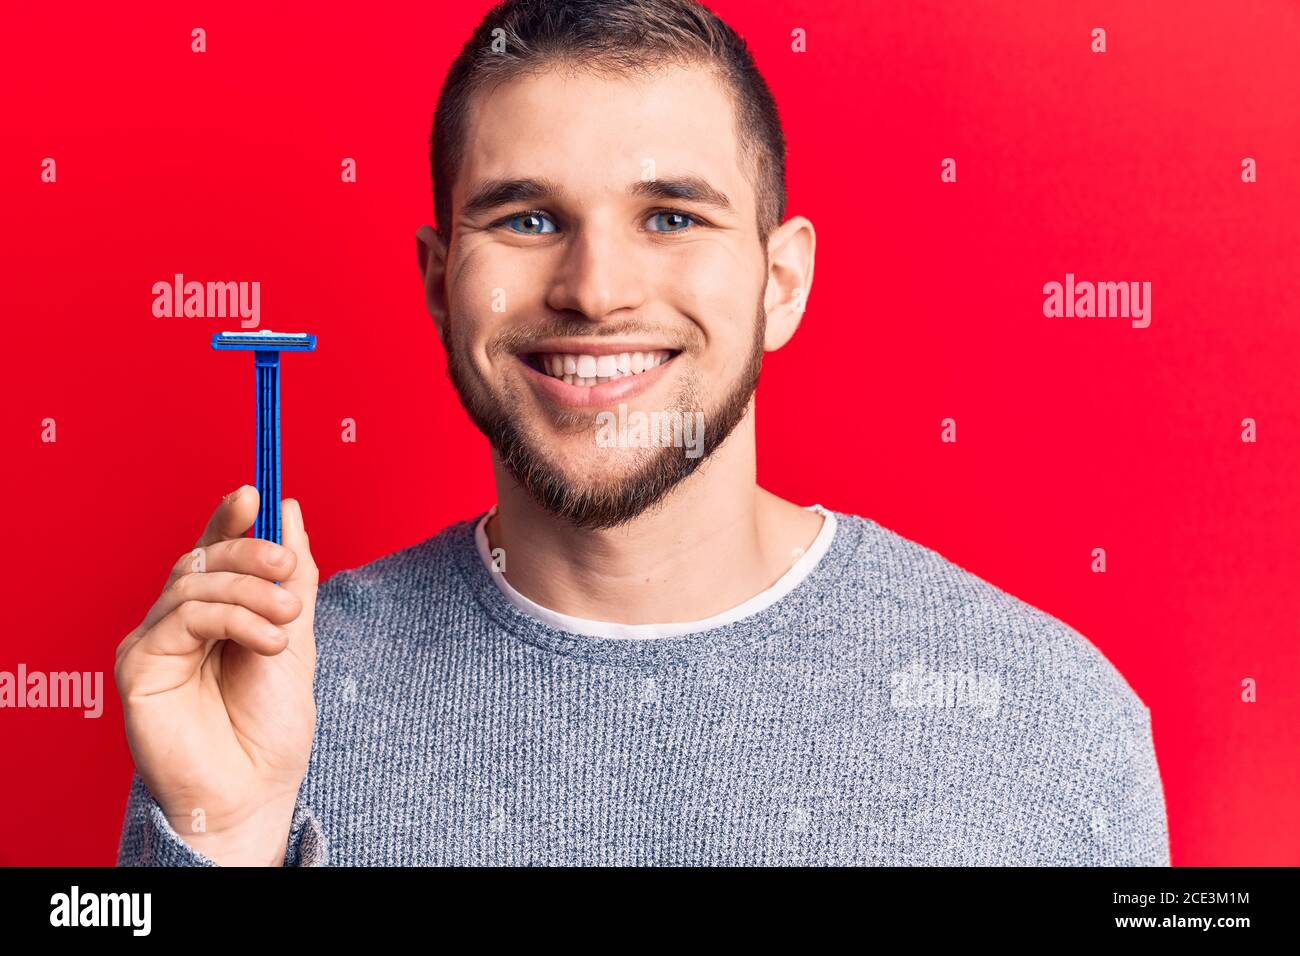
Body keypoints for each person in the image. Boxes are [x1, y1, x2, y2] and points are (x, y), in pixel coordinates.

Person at [115, 0, 1170, 866]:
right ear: (442, 284)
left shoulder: (1046, 722)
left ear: (781, 279)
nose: (596, 290)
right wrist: (224, 835)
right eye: (527, 219)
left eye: (671, 216)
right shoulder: (275, 694)